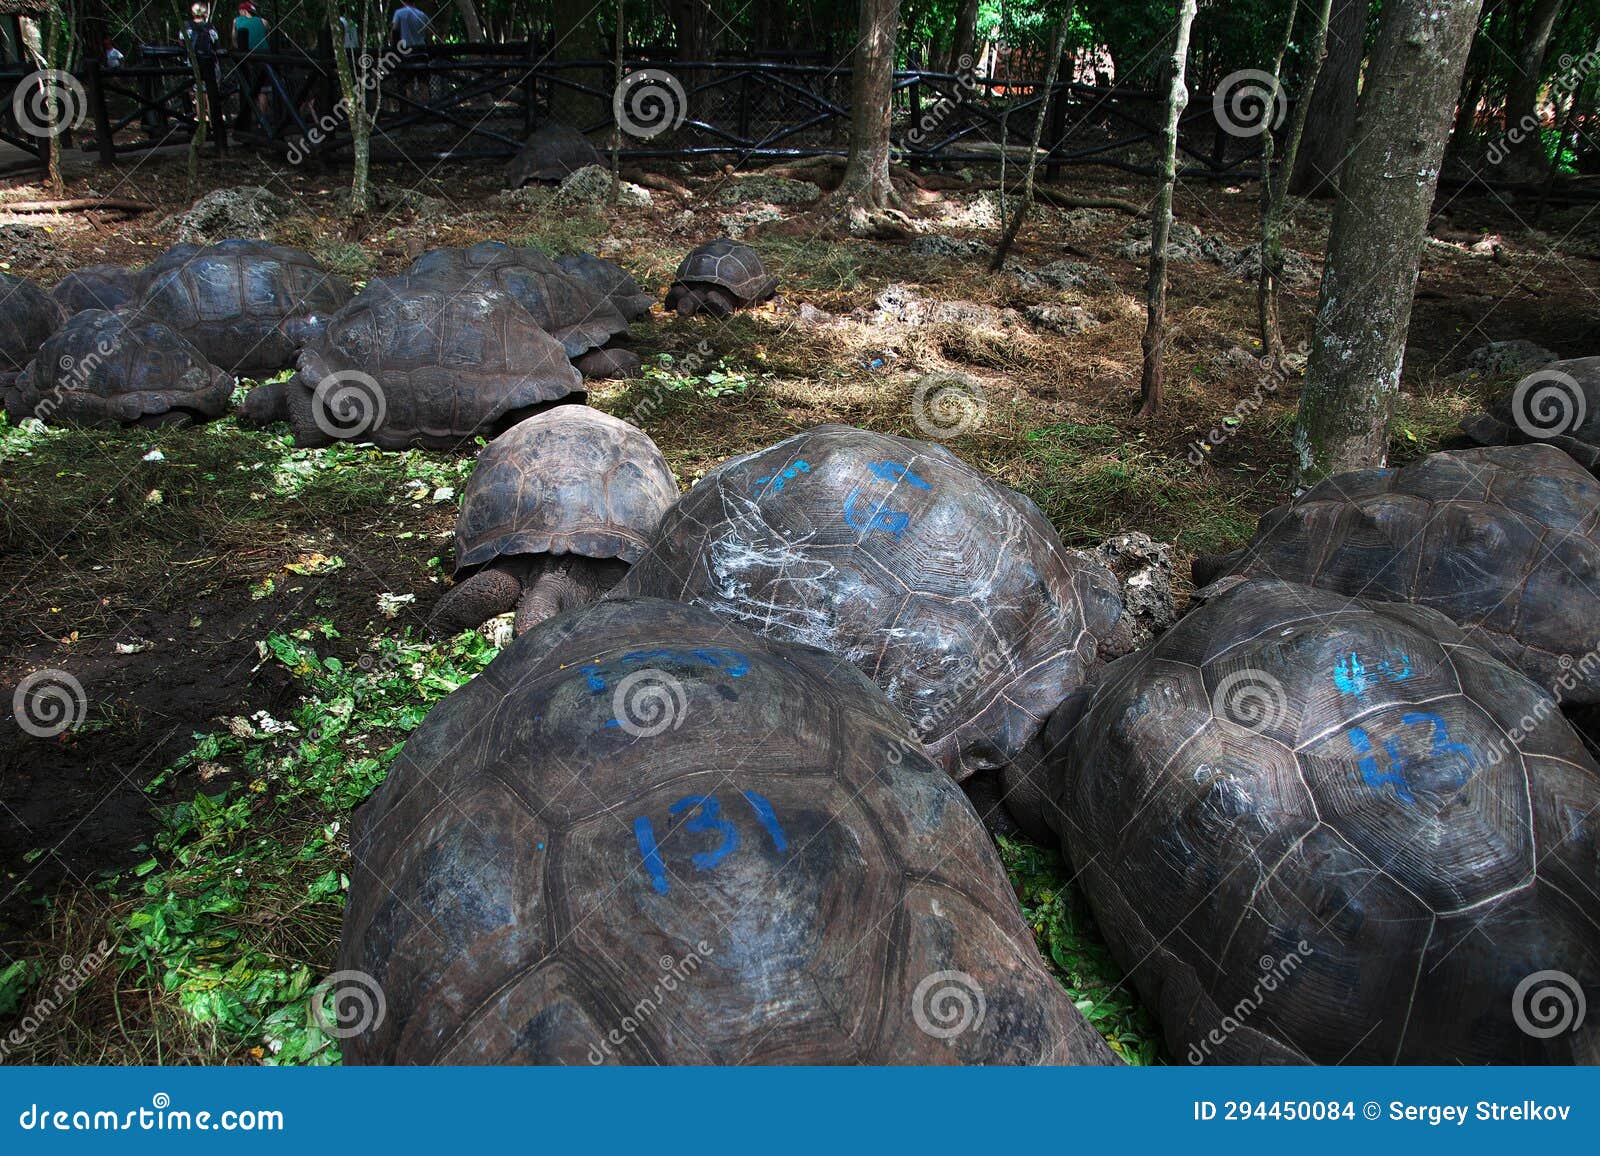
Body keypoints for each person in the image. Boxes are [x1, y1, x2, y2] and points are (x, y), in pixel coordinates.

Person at [181, 3, 226, 150]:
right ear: (205, 13)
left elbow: (183, 43)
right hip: (211, 64)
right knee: (211, 93)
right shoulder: (210, 27)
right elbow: (216, 43)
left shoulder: (186, 27)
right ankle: (214, 125)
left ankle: (201, 126)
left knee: (198, 92)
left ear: (192, 13)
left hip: (194, 64)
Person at [232, 0, 271, 127]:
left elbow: (234, 40)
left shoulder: (236, 21)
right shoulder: (263, 21)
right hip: (264, 57)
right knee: (262, 90)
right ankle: (262, 121)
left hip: (246, 59)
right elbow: (267, 36)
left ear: (243, 11)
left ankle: (246, 121)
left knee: (245, 88)